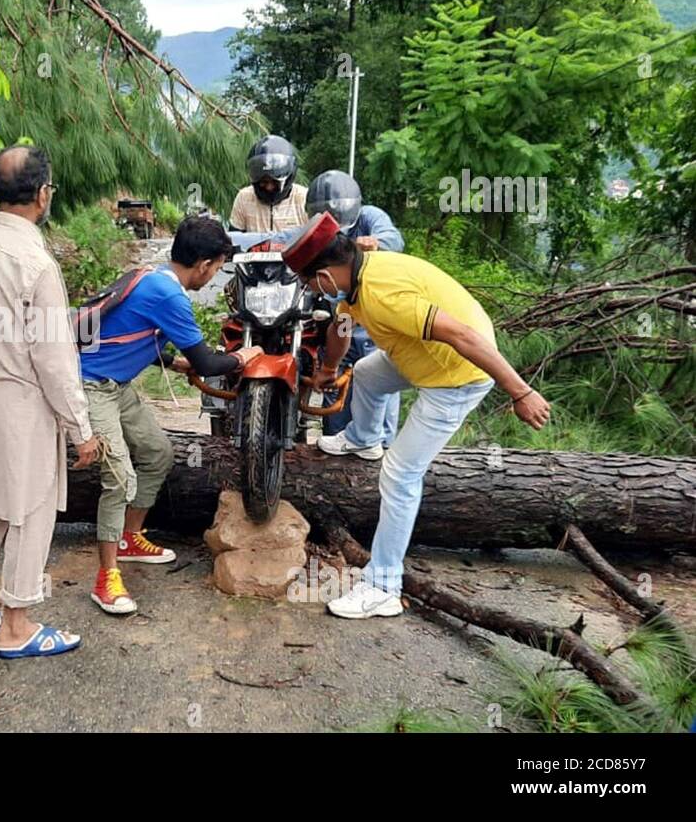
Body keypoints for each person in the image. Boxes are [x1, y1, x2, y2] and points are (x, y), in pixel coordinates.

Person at [281, 213, 551, 619]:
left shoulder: (383, 295)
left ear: (324, 274)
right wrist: (329, 369)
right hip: (418, 354)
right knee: (369, 373)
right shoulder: (356, 277)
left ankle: (383, 585)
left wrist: (521, 391)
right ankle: (364, 439)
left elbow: (462, 337)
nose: (309, 290)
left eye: (308, 282)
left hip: (458, 374)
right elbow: (341, 325)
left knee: (400, 473)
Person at [0, 144, 100, 659]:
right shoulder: (36, 264)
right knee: (28, 510)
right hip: (24, 406)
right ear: (43, 195)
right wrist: (81, 428)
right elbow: (54, 359)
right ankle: (17, 624)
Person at [80, 215, 263, 614]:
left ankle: (129, 538)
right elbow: (209, 362)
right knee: (119, 478)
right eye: (216, 269)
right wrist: (242, 357)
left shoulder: (152, 278)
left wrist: (168, 360)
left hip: (118, 386)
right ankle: (105, 579)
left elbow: (125, 332)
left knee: (158, 452)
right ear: (204, 264)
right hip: (91, 386)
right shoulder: (171, 295)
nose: (212, 276)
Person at [304, 170, 404, 445]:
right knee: (335, 390)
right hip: (339, 320)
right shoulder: (313, 233)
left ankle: (380, 451)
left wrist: (376, 243)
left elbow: (394, 239)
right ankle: (336, 448)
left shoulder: (371, 217)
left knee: (377, 387)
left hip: (372, 326)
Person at [229, 135, 307, 233]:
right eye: (263, 182)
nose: (269, 187)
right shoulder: (244, 197)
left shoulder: (303, 199)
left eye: (275, 182)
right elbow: (234, 240)